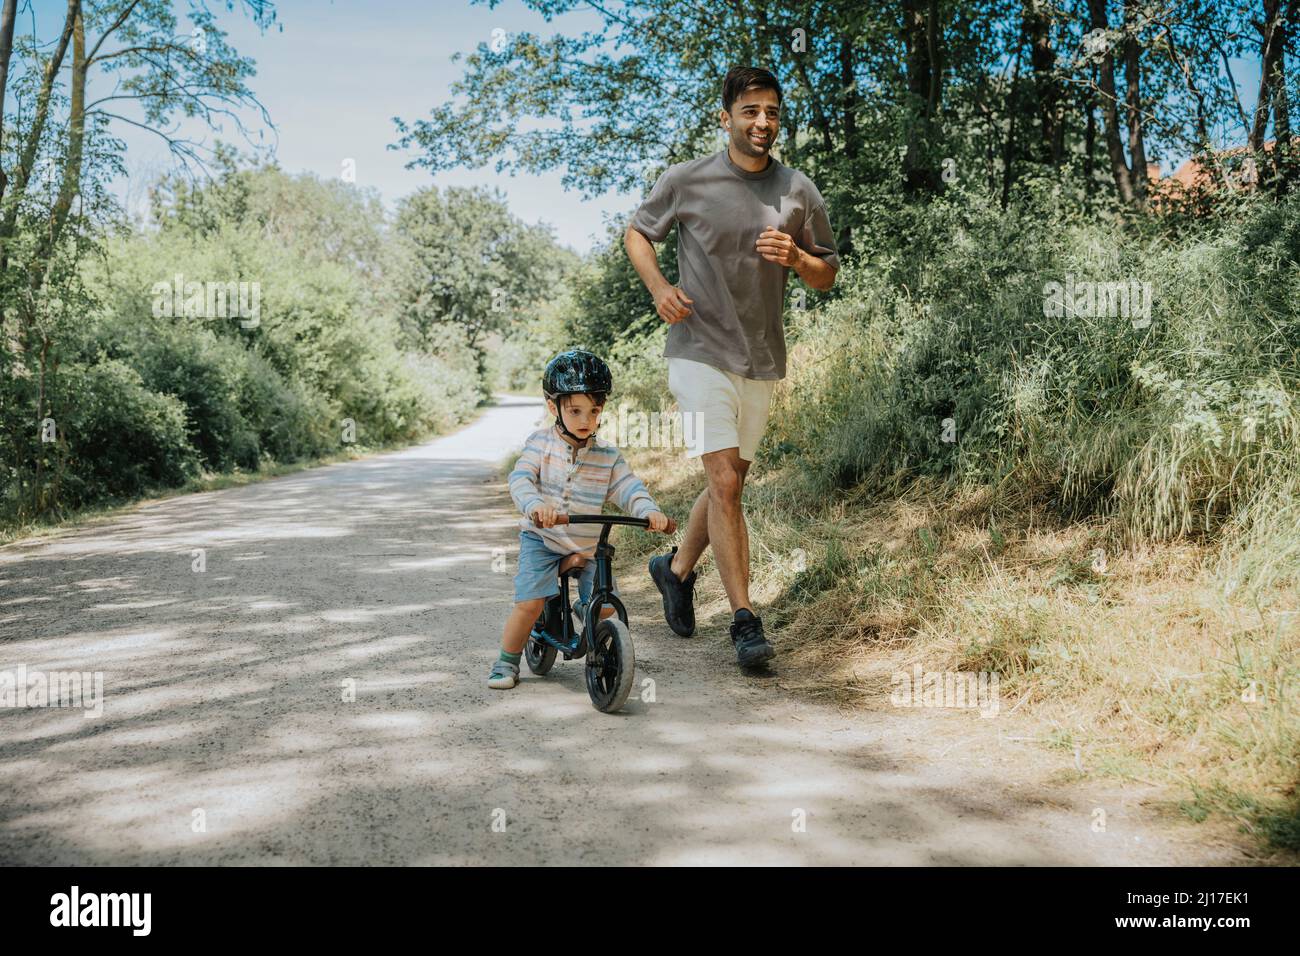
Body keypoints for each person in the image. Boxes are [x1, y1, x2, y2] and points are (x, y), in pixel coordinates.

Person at [624, 65, 841, 668]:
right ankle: (746, 621)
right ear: (726, 118)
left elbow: (827, 275)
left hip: (761, 359)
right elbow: (638, 235)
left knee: (731, 484)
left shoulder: (798, 189)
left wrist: (798, 257)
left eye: (771, 111)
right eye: (749, 111)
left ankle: (676, 569)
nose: (762, 122)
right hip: (696, 352)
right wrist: (659, 288)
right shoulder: (686, 180)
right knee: (723, 483)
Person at [488, 349, 669, 690]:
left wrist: (649, 511)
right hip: (543, 539)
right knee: (529, 603)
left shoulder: (608, 457)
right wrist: (534, 504)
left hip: (587, 545)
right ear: (553, 407)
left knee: (607, 608)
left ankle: (601, 638)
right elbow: (521, 479)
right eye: (575, 410)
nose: (586, 419)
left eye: (594, 411)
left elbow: (629, 488)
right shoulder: (540, 444)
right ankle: (506, 661)